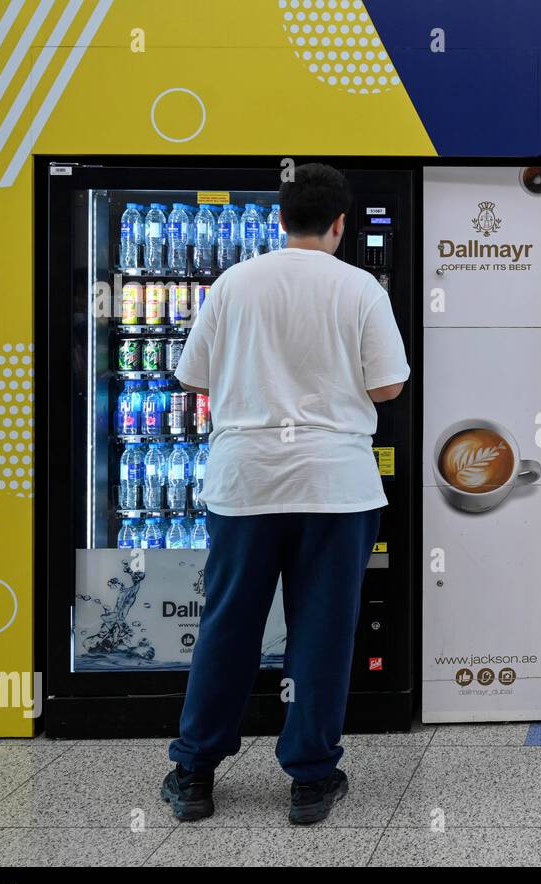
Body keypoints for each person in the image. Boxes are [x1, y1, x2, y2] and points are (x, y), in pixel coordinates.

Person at [161, 163, 409, 825]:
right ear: (340, 223)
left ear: (278, 220)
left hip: (246, 482)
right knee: (322, 633)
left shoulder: (233, 283)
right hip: (335, 484)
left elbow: (193, 378)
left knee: (228, 626)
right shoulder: (359, 288)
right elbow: (387, 388)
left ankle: (194, 772)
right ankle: (309, 778)